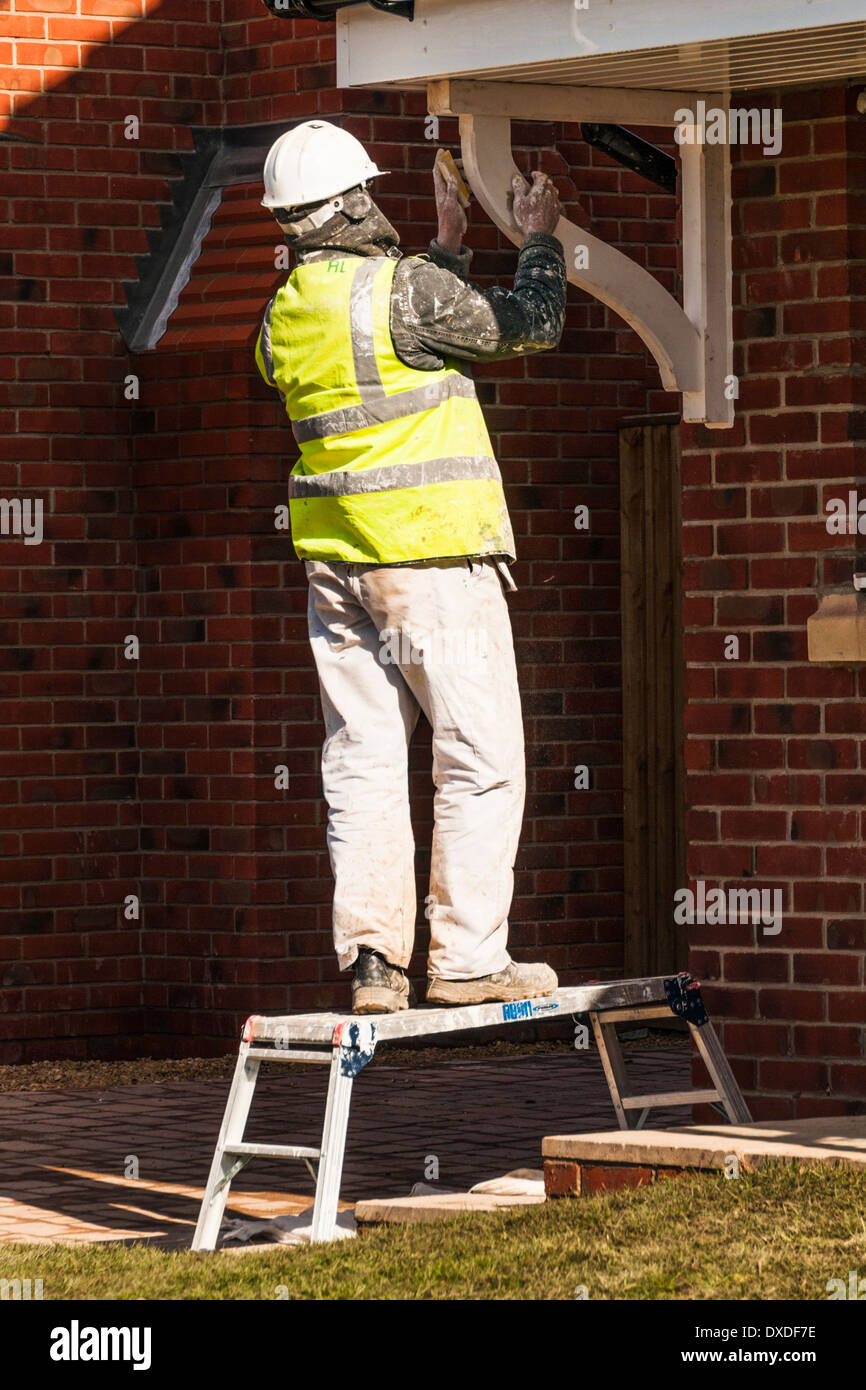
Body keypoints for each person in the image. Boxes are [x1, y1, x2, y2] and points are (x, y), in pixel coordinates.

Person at [255, 119, 567, 1014]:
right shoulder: (401, 289)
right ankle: (468, 960)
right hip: (431, 557)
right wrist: (540, 238)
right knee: (479, 755)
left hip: (337, 575)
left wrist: (448, 248)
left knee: (363, 759)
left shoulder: (281, 318)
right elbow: (525, 328)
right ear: (354, 201)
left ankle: (375, 964)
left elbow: (402, 344)